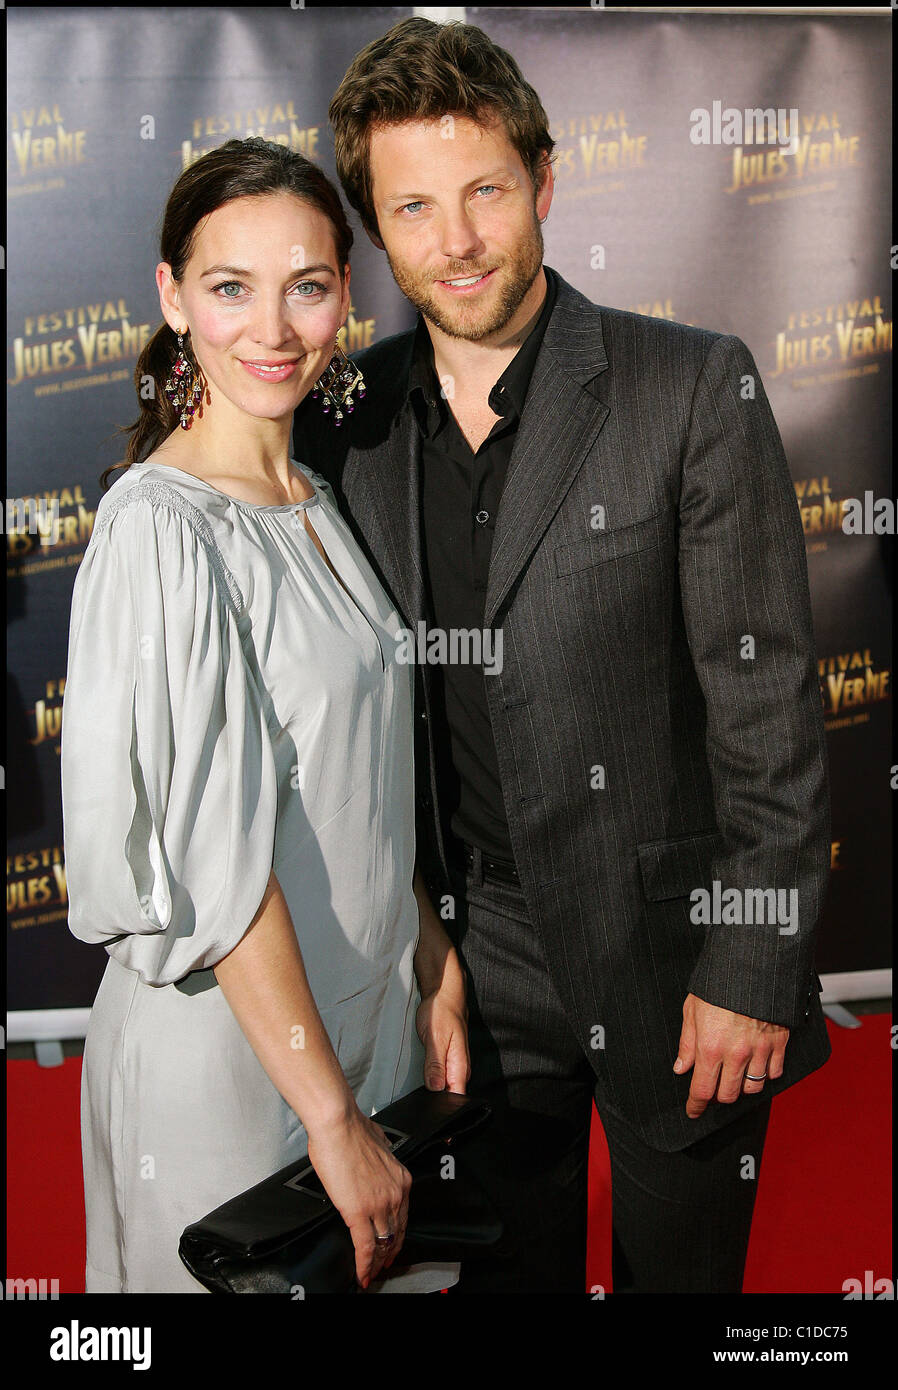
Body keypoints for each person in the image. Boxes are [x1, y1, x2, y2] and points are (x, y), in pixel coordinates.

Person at [293, 17, 833, 1294]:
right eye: (412, 207)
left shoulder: (690, 387)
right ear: (376, 231)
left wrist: (753, 958)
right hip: (461, 967)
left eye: (483, 191)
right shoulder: (343, 420)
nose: (457, 240)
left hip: (674, 946)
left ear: (543, 179)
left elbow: (765, 696)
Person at [60, 136, 468, 1295]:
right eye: (230, 287)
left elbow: (347, 783)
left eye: (308, 285)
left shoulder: (315, 499)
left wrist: (427, 948)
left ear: (347, 291)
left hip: (357, 1028)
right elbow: (213, 869)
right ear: (172, 298)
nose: (274, 329)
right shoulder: (161, 530)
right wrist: (329, 1117)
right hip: (239, 1067)